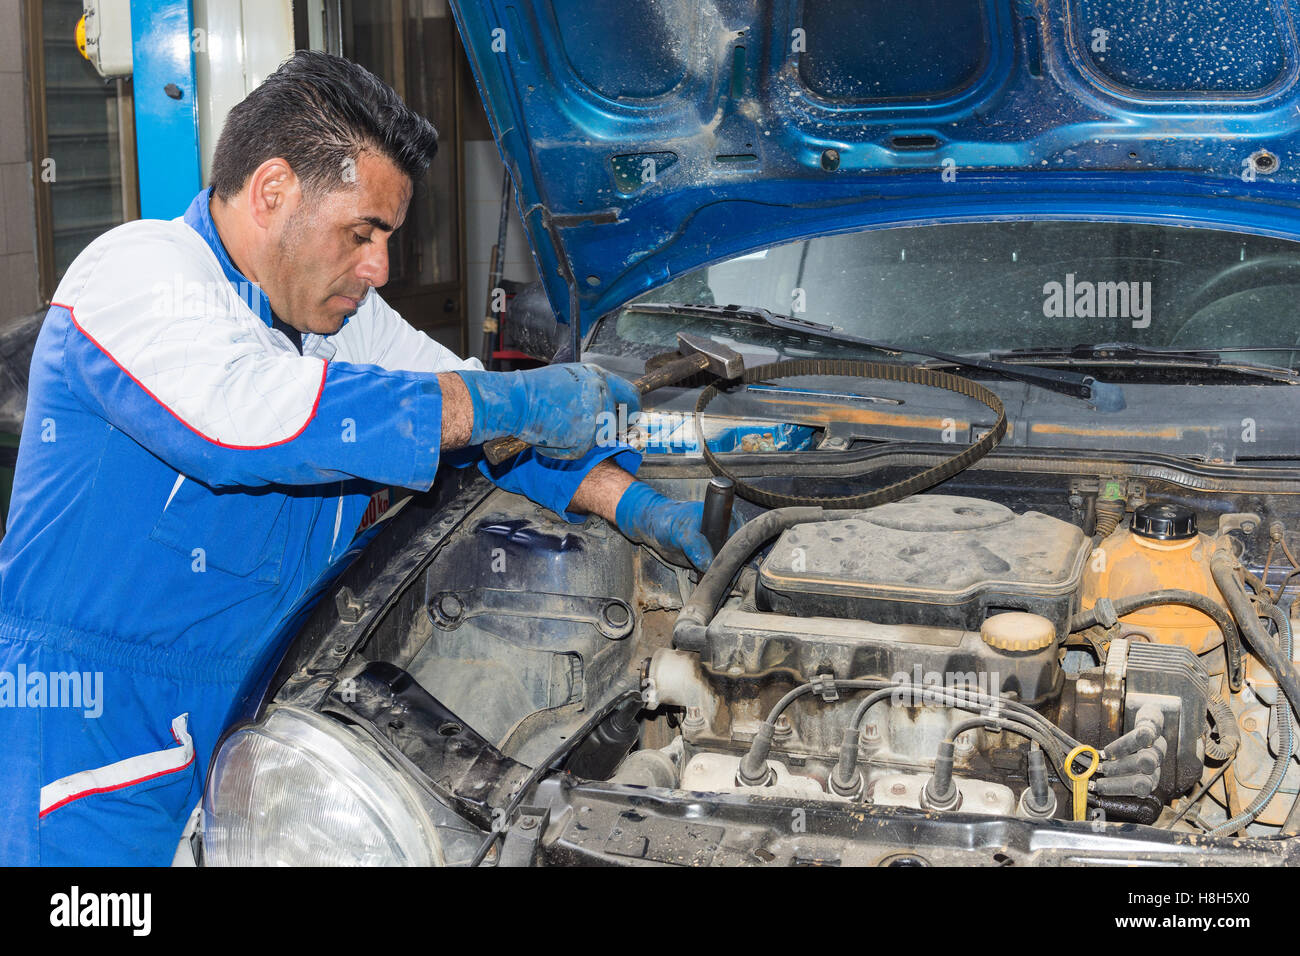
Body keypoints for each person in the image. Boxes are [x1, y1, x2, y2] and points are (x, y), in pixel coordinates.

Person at [0, 51, 718, 865]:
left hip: (254, 718)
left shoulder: (337, 320)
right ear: (273, 192)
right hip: (93, 731)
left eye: (386, 239)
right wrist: (509, 400)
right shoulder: (139, 272)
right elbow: (248, 420)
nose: (377, 268)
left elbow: (470, 421)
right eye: (361, 233)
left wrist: (629, 502)